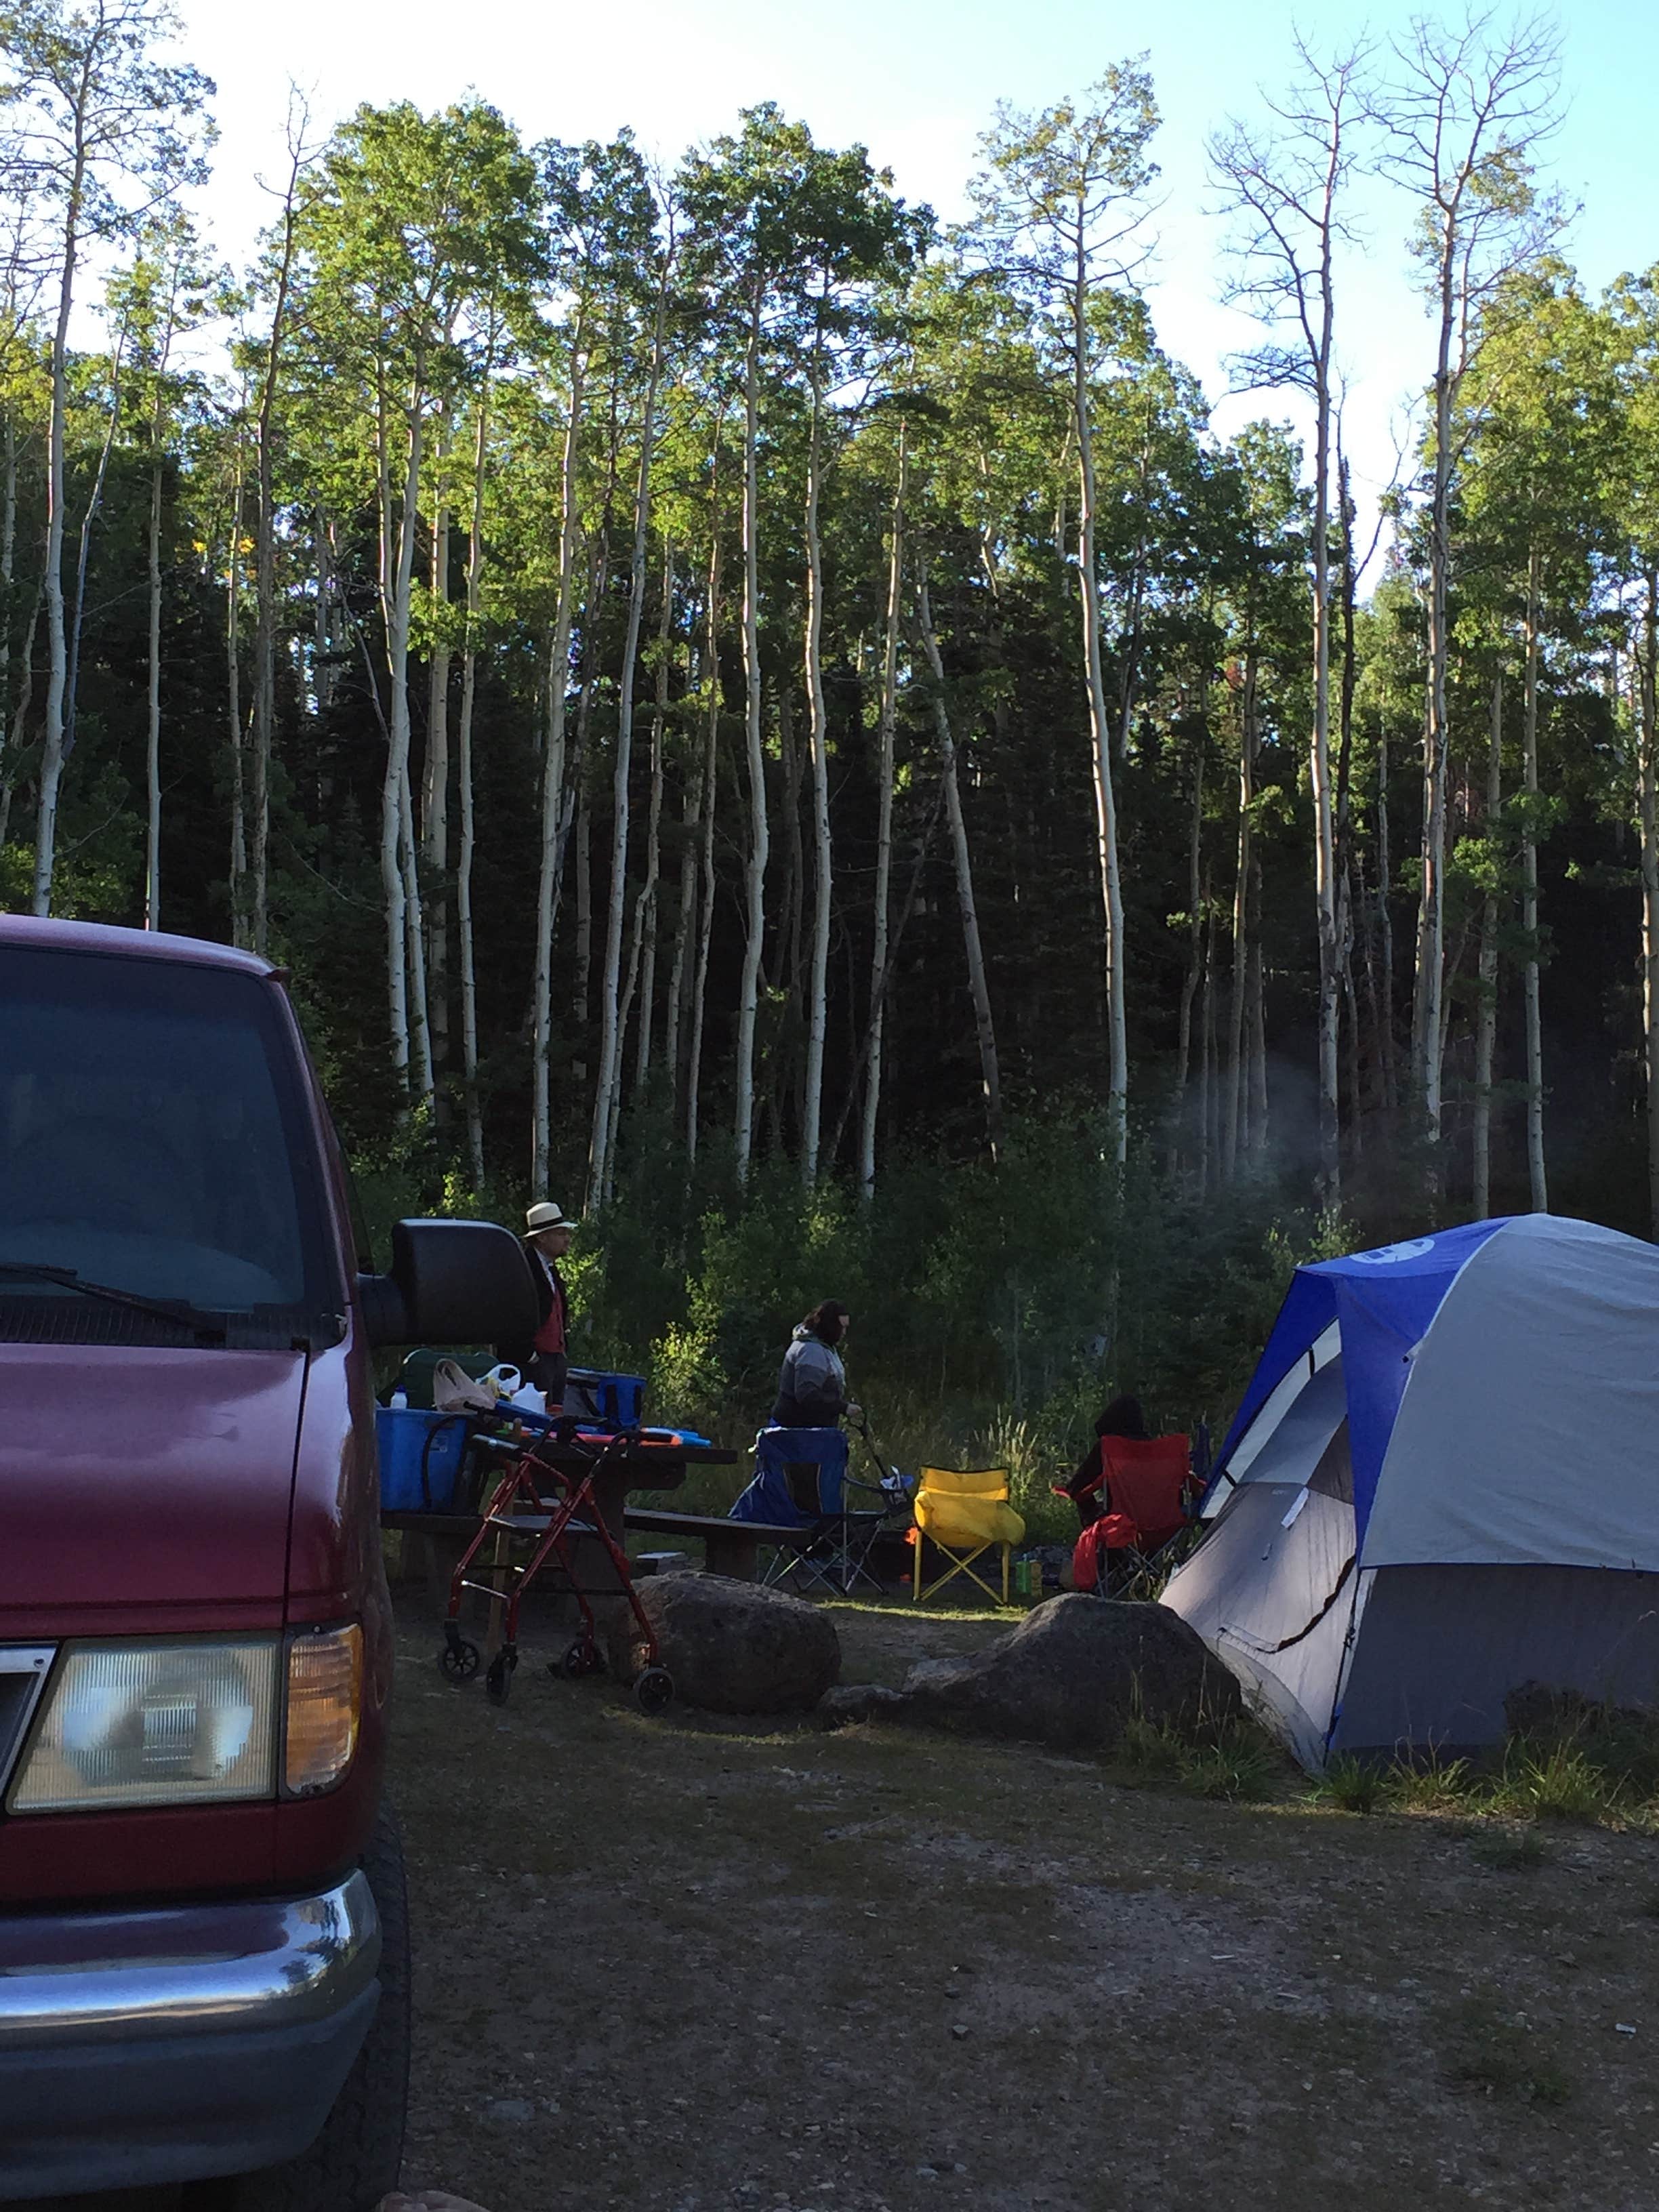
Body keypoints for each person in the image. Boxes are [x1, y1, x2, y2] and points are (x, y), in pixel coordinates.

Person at [499, 1199, 575, 1405]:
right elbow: (511, 1317)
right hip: (531, 1364)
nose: (567, 1239)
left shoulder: (550, 1270)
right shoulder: (522, 1270)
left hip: (554, 1360)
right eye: (561, 1234)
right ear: (542, 1238)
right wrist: (531, 1356)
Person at [771, 1299, 863, 1429]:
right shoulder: (811, 1350)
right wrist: (843, 1407)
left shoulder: (822, 1346)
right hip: (798, 1432)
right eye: (841, 1327)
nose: (844, 1332)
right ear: (830, 1324)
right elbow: (808, 1395)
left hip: (807, 1431)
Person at [1063, 1393, 1149, 1530]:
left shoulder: (1109, 1447)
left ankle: (1108, 1549)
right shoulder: (1155, 1448)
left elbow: (1077, 1486)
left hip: (1119, 1525)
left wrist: (1093, 1507)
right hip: (1163, 1523)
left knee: (1082, 1494)